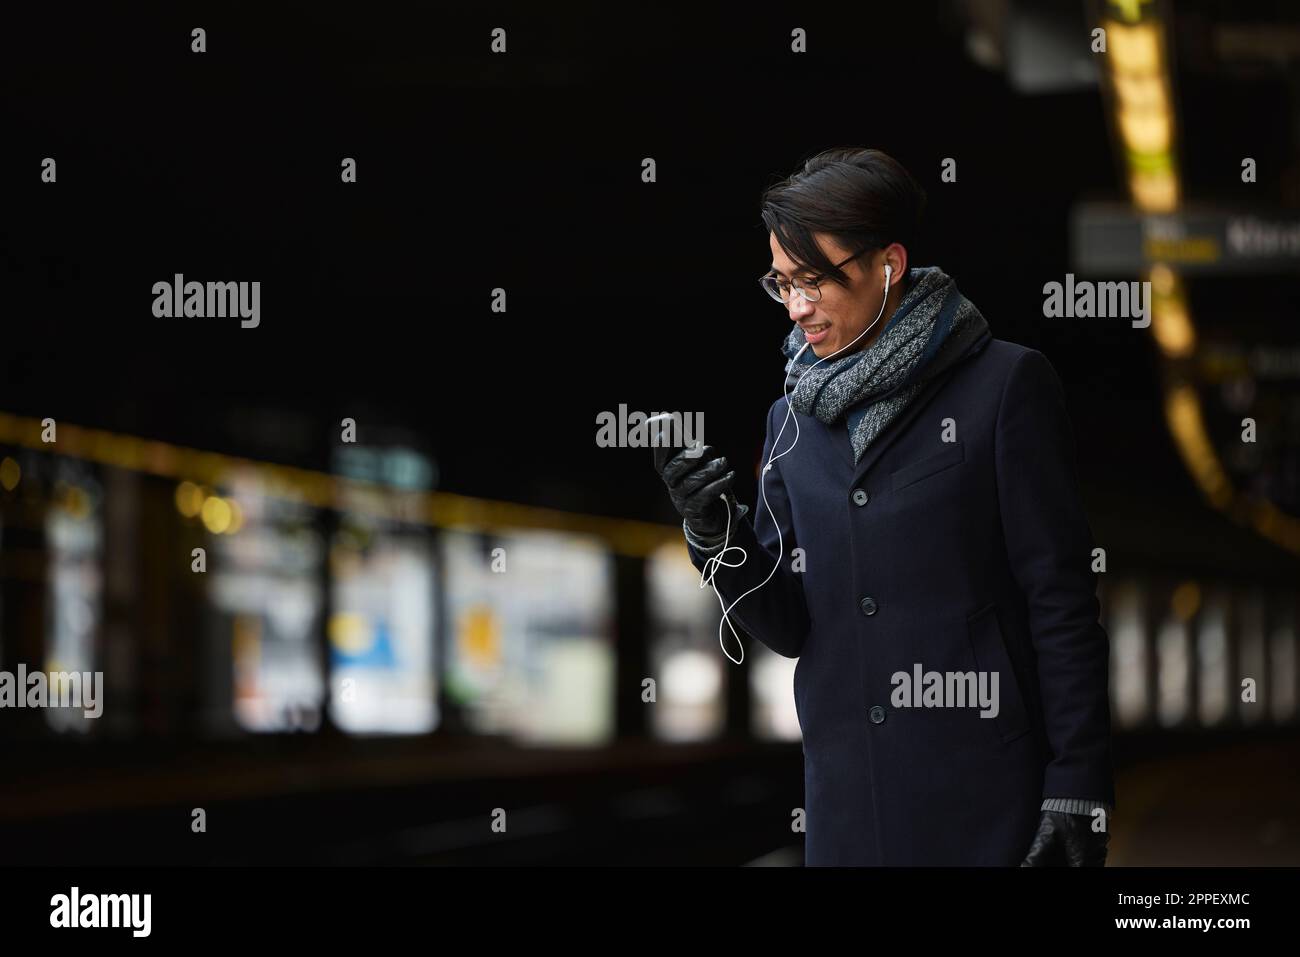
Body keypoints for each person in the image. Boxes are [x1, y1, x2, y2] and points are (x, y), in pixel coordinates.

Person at [653, 147, 1114, 866]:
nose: (798, 306)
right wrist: (715, 534)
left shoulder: (1005, 387)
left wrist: (1078, 783)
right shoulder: (789, 422)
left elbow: (1059, 597)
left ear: (888, 264)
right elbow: (791, 621)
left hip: (987, 799)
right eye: (782, 284)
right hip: (846, 807)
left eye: (816, 281)